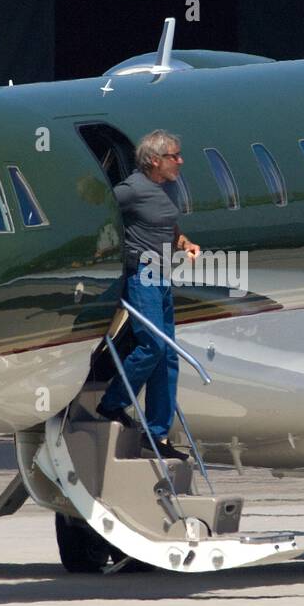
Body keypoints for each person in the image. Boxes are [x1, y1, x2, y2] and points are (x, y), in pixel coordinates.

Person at [96, 130, 201, 460]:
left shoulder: (163, 189)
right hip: (142, 276)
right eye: (174, 156)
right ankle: (112, 403)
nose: (180, 161)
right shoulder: (130, 190)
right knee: (152, 344)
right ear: (154, 160)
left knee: (168, 355)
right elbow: (101, 214)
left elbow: (167, 225)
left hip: (162, 274)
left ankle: (158, 435)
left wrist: (184, 243)